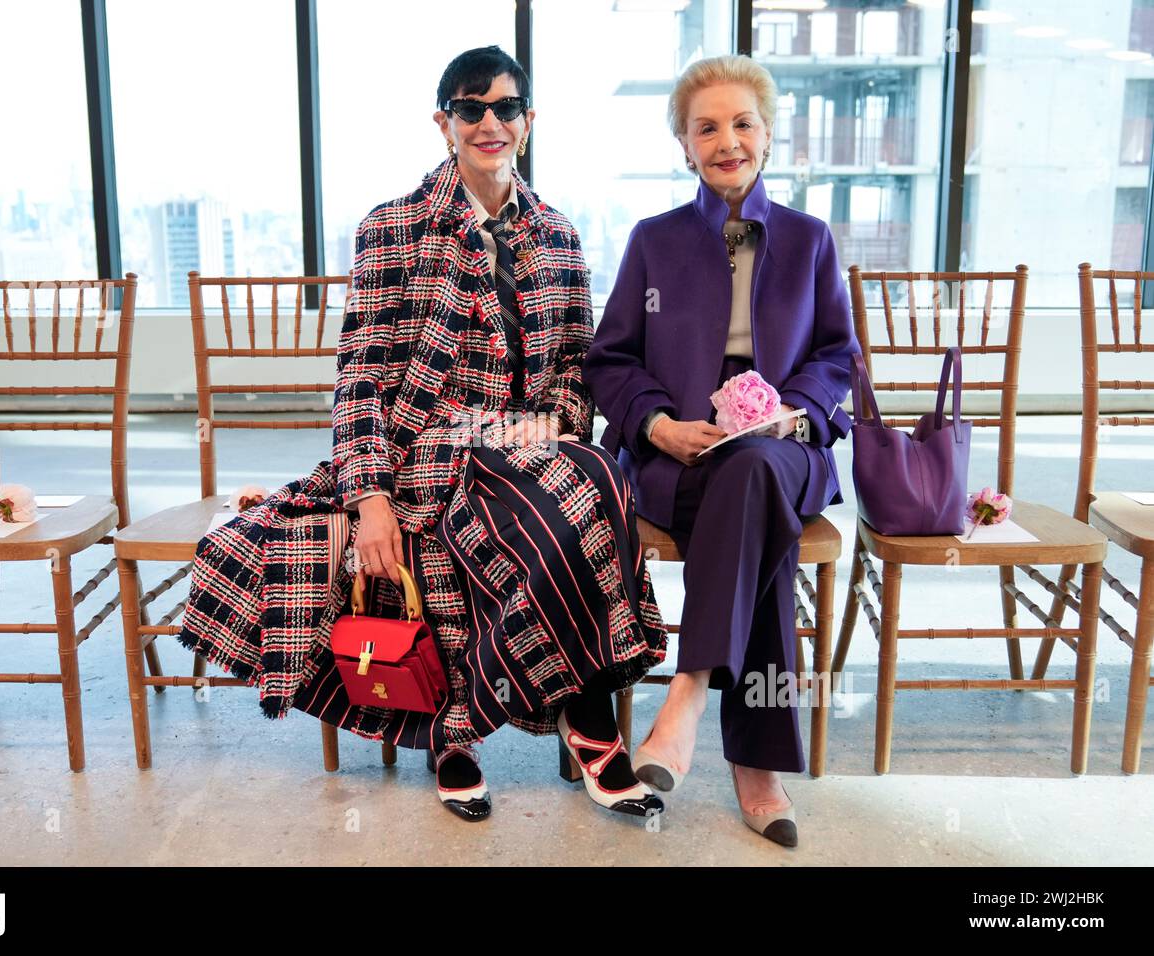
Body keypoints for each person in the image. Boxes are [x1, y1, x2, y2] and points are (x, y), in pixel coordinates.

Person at [179, 46, 668, 823]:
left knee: (595, 476)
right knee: (520, 503)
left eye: (505, 107)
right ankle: (579, 723)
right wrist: (369, 497)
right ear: (443, 122)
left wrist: (553, 427)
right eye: (469, 107)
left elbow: (577, 367)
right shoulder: (394, 226)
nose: (488, 122)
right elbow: (363, 375)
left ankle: (479, 726)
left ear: (528, 123)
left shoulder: (559, 234)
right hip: (427, 442)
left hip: (529, 441)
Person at [583, 54, 859, 848]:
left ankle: (690, 691)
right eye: (706, 127)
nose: (726, 140)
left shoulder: (809, 240)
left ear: (768, 136)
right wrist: (658, 425)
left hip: (786, 452)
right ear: (685, 146)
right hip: (682, 462)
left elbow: (839, 357)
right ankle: (757, 766)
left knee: (757, 471)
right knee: (752, 510)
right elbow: (610, 359)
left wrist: (796, 413)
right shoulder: (655, 241)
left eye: (742, 123)